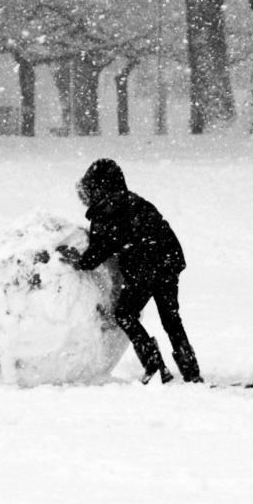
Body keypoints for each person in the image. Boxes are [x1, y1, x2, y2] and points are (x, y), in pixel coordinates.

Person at [56, 158, 201, 384]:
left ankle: (153, 364)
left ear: (97, 188)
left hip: (144, 268)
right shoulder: (135, 201)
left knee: (125, 314)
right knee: (171, 319)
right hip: (168, 261)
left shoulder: (105, 212)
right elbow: (158, 229)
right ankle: (190, 370)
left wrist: (78, 260)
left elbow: (97, 253)